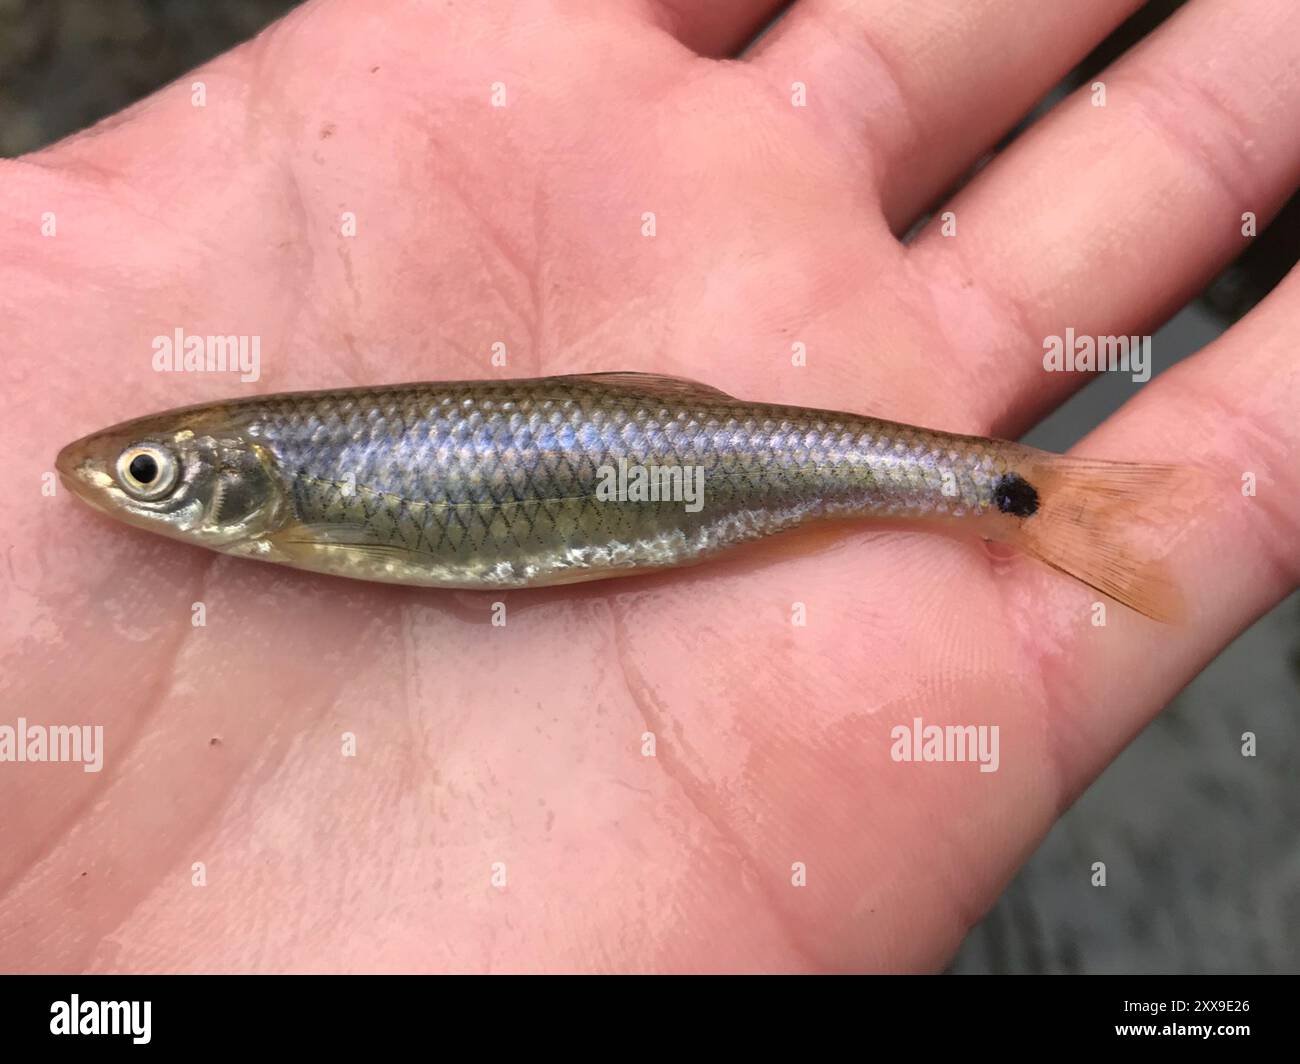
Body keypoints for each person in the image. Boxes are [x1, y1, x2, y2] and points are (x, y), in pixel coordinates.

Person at [1, 0, 1296, 972]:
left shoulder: (294, 496)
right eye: (152, 476)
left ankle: (1021, 498)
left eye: (154, 475)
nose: (136, 492)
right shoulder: (285, 493)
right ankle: (1020, 498)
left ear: (244, 481)